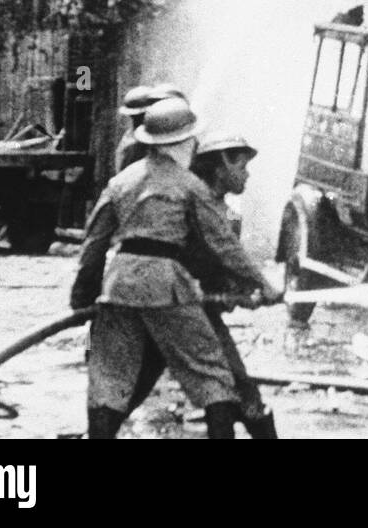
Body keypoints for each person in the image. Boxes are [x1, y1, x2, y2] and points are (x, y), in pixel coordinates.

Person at [70, 97, 283, 439]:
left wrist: (83, 297)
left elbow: (93, 246)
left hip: (118, 285)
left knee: (109, 380)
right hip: (166, 286)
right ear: (185, 141)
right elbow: (223, 245)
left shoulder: (121, 182)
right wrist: (265, 283)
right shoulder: (190, 186)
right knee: (214, 377)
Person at [126, 131, 277, 439]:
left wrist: (240, 294)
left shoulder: (227, 214)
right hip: (178, 310)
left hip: (194, 312)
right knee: (232, 387)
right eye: (242, 167)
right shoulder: (190, 205)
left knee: (141, 386)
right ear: (221, 168)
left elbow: (223, 269)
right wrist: (261, 286)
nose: (247, 176)